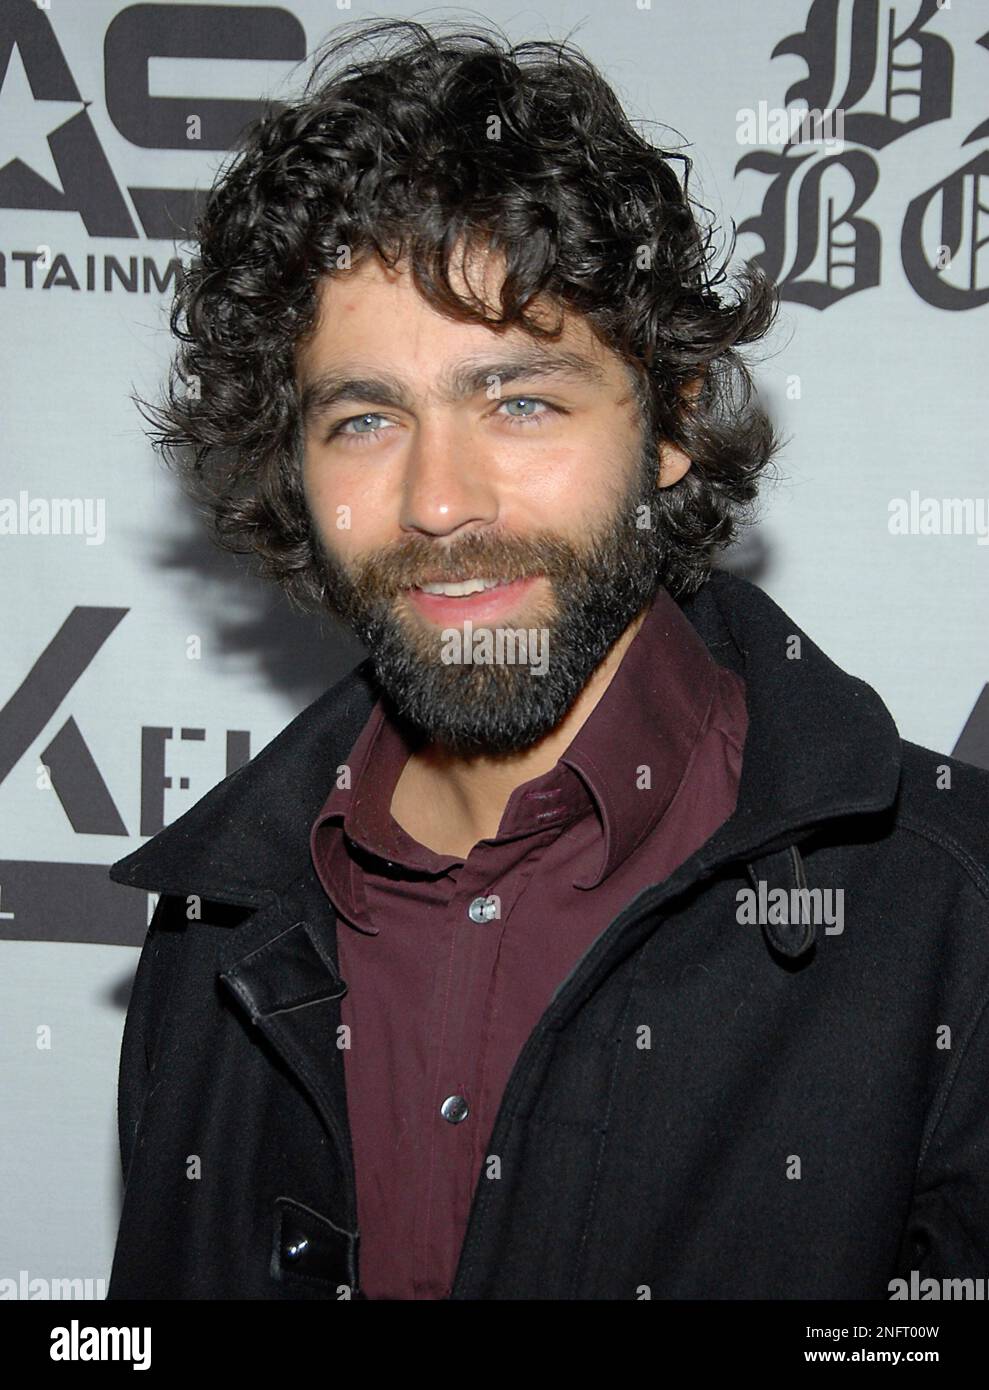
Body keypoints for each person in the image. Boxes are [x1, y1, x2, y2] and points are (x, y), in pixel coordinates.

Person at [106, 18, 989, 1300]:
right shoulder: (214, 934)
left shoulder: (945, 917)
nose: (439, 501)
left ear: (673, 429)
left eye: (519, 401)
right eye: (365, 419)